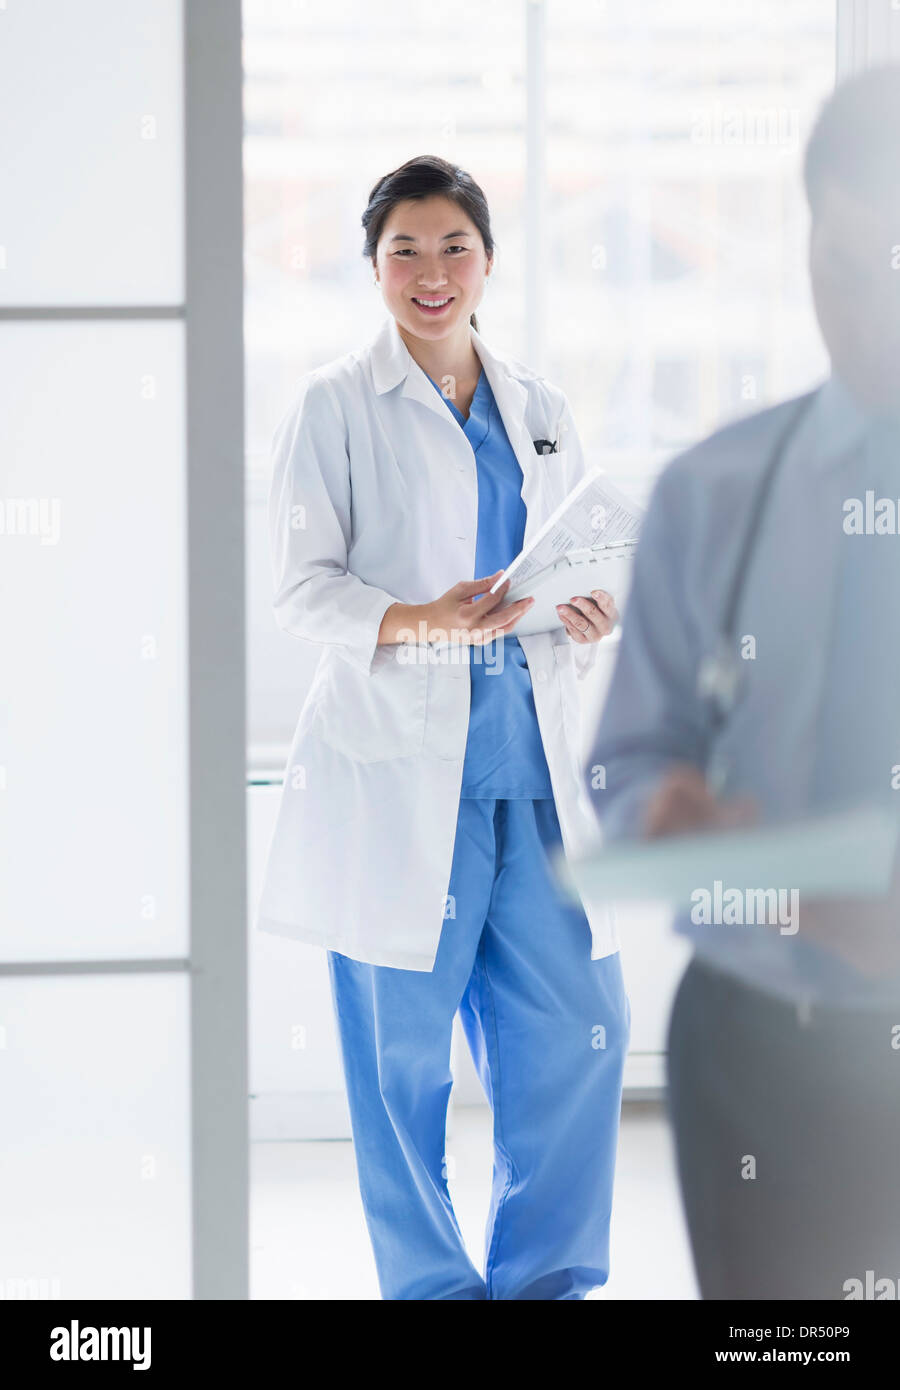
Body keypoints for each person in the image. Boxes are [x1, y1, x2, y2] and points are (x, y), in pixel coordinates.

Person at [255, 155, 630, 1300]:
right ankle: (431, 1290)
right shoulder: (333, 405)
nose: (432, 272)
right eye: (405, 251)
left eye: (452, 246)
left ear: (488, 261)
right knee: (398, 1065)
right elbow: (299, 588)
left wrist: (591, 609)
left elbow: (569, 560)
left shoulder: (541, 407)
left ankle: (545, 1282)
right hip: (395, 777)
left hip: (532, 771)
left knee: (574, 1039)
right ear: (373, 268)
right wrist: (419, 619)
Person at [586, 66, 900, 1300]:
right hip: (764, 1057)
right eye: (847, 254)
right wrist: (673, 820)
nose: (876, 295)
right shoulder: (715, 495)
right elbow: (632, 760)